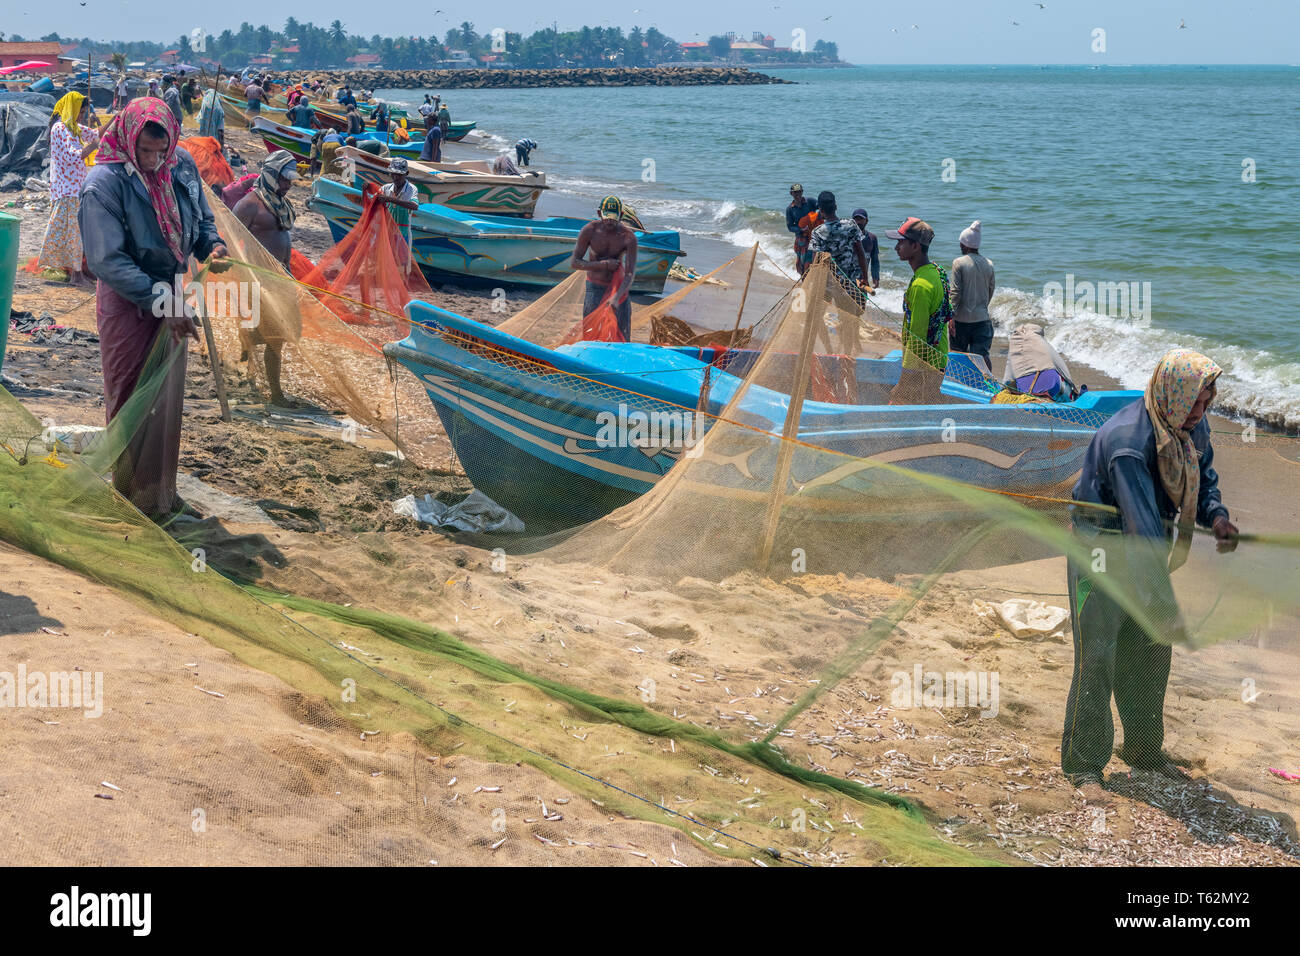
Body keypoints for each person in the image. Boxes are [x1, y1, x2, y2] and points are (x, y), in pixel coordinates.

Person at [1063, 349, 1238, 806]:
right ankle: (1084, 766)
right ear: (1172, 395)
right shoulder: (1128, 444)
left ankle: (1143, 751)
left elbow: (1204, 476)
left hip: (1144, 547)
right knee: (1098, 655)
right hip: (1101, 550)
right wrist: (1163, 604)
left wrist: (1217, 516)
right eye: (1194, 403)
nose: (1200, 412)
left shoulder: (1188, 426)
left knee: (1149, 651)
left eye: (1206, 403)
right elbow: (1140, 528)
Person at [79, 98, 227, 521]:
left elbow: (201, 218)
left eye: (162, 151)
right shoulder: (103, 183)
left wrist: (212, 245)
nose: (154, 160)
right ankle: (129, 496)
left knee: (165, 398)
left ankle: (159, 493)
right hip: (128, 301)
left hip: (172, 296)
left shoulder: (180, 165)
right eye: (145, 151)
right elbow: (108, 261)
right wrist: (163, 302)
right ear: (129, 139)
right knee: (130, 396)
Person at [232, 150, 300, 407]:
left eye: (290, 179)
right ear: (272, 175)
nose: (289, 184)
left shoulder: (281, 204)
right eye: (284, 178)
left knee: (283, 334)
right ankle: (276, 394)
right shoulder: (249, 204)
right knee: (275, 337)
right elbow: (231, 238)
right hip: (258, 282)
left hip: (281, 279)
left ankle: (248, 341)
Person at [884, 217, 951, 404]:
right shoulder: (937, 272)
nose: (896, 247)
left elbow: (917, 337)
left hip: (923, 367)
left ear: (915, 246)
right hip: (937, 359)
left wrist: (904, 381)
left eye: (901, 242)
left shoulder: (921, 285)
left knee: (900, 403)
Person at [37, 92, 99, 287]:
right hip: (67, 190)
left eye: (84, 113)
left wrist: (115, 121)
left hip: (75, 188)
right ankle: (76, 276)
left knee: (76, 232)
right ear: (72, 109)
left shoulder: (73, 128)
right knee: (74, 233)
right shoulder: (60, 128)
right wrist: (93, 146)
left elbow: (96, 134)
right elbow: (73, 156)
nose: (82, 116)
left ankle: (78, 272)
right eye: (80, 112)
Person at [571, 196, 638, 342]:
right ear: (599, 213)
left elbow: (629, 274)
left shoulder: (628, 237)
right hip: (594, 288)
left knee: (622, 335)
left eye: (613, 218)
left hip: (618, 289)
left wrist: (616, 298)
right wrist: (603, 265)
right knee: (590, 332)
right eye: (607, 217)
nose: (610, 222)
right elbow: (575, 262)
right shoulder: (590, 231)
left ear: (620, 215)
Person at [947, 220, 996, 370]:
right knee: (982, 357)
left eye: (961, 243)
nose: (960, 246)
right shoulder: (989, 264)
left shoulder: (959, 263)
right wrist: (982, 308)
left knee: (958, 356)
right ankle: (989, 381)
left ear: (966, 245)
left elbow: (955, 292)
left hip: (961, 321)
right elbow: (990, 290)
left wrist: (951, 316)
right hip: (982, 320)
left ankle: (959, 382)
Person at [808, 191, 871, 289]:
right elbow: (860, 253)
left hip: (828, 284)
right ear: (836, 207)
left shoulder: (817, 232)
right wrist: (865, 278)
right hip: (849, 283)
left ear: (820, 210)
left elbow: (816, 262)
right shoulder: (851, 225)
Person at [377, 158, 420, 272]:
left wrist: (390, 199)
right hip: (387, 233)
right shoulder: (386, 188)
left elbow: (414, 206)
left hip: (403, 234)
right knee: (384, 262)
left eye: (399, 175)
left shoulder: (411, 189)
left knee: (402, 266)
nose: (396, 178)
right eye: (393, 174)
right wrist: (366, 189)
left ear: (406, 174)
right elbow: (373, 200)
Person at [785, 184, 817, 276]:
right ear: (791, 193)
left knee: (814, 260)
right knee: (802, 262)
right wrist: (800, 229)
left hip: (814, 237)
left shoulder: (810, 201)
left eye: (799, 192)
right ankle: (804, 279)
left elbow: (821, 207)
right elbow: (790, 227)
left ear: (802, 192)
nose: (798, 194)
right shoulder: (790, 209)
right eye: (795, 192)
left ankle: (813, 277)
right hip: (801, 239)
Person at [850, 208, 880, 289]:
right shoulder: (847, 238)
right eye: (856, 219)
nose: (858, 222)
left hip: (863, 279)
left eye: (861, 219)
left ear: (866, 221)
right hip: (848, 277)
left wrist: (875, 278)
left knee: (862, 296)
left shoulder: (872, 238)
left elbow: (875, 261)